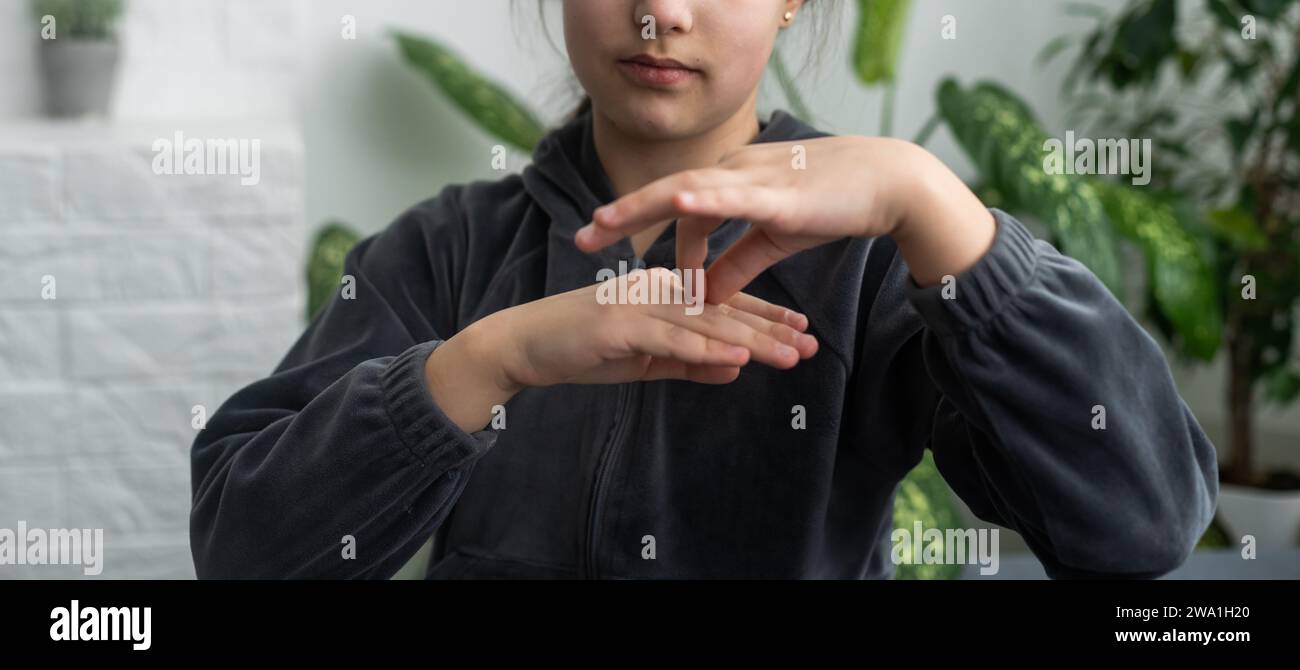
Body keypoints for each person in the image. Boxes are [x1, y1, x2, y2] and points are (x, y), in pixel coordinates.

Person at [190, 0, 1219, 579]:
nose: (658, 13)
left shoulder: (878, 254)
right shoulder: (443, 248)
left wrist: (927, 200)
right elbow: (246, 555)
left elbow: (1142, 527)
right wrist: (489, 359)